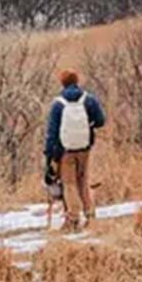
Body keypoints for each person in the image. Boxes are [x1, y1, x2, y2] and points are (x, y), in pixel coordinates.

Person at [44, 69, 105, 231]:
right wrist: (88, 126)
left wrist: (50, 155)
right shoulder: (88, 99)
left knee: (69, 183)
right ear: (77, 81)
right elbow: (100, 121)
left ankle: (73, 219)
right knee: (83, 181)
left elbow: (51, 132)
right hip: (84, 148)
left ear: (62, 82)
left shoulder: (58, 103)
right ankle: (90, 215)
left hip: (65, 151)